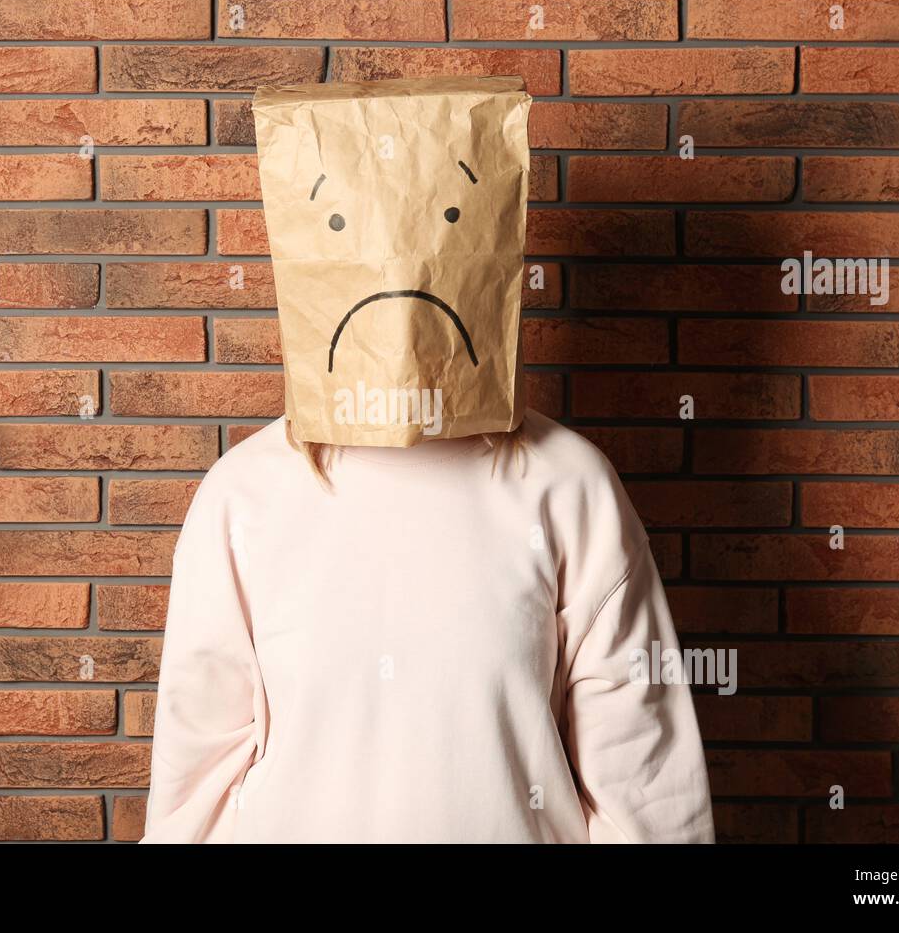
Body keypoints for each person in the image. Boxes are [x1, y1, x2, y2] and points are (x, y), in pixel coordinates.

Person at [140, 76, 714, 843]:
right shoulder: (242, 498)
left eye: (448, 221)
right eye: (340, 229)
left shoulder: (568, 486)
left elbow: (647, 787)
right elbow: (193, 793)